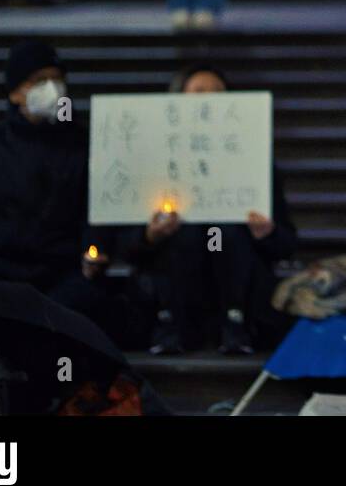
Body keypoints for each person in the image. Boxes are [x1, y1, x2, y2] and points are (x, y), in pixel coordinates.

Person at [0, 41, 125, 342]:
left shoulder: (83, 144)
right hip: (4, 268)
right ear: (16, 92)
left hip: (65, 272)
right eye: (39, 81)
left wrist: (95, 249)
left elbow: (96, 209)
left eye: (57, 79)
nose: (52, 88)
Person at [113, 65, 298, 355]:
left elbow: (287, 243)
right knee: (183, 234)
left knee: (227, 232)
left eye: (217, 93)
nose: (208, 100)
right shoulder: (151, 160)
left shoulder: (256, 162)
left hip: (239, 288)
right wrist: (149, 236)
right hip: (177, 287)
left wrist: (267, 233)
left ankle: (235, 324)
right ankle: (172, 325)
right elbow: (124, 246)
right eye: (199, 92)